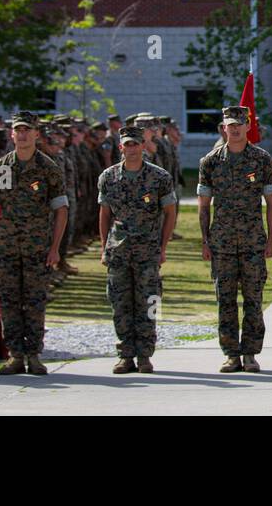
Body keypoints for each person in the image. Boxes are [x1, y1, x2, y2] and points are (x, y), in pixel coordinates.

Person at [0, 112, 69, 376]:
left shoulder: (49, 168)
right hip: (7, 247)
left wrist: (55, 247)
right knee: (9, 302)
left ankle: (34, 354)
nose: (21, 135)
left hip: (37, 247)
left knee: (34, 301)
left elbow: (61, 210)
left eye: (27, 130)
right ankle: (15, 355)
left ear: (35, 134)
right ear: (11, 134)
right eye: (17, 130)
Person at [198, 106, 272, 372]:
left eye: (238, 124)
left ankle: (251, 354)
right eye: (229, 125)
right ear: (223, 127)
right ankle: (231, 353)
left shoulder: (262, 160)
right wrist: (204, 239)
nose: (233, 129)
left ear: (248, 126)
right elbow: (203, 204)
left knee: (254, 299)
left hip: (253, 241)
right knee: (226, 299)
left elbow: (271, 202)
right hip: (221, 242)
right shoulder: (209, 162)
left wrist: (270, 240)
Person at [98, 125, 178, 374]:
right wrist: (104, 248)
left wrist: (163, 247)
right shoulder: (108, 177)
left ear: (143, 146)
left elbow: (170, 213)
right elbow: (104, 214)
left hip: (147, 250)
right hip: (119, 250)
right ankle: (125, 355)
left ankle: (145, 355)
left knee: (150, 302)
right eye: (127, 144)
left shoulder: (159, 177)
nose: (131, 148)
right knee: (120, 303)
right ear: (120, 147)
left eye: (136, 143)